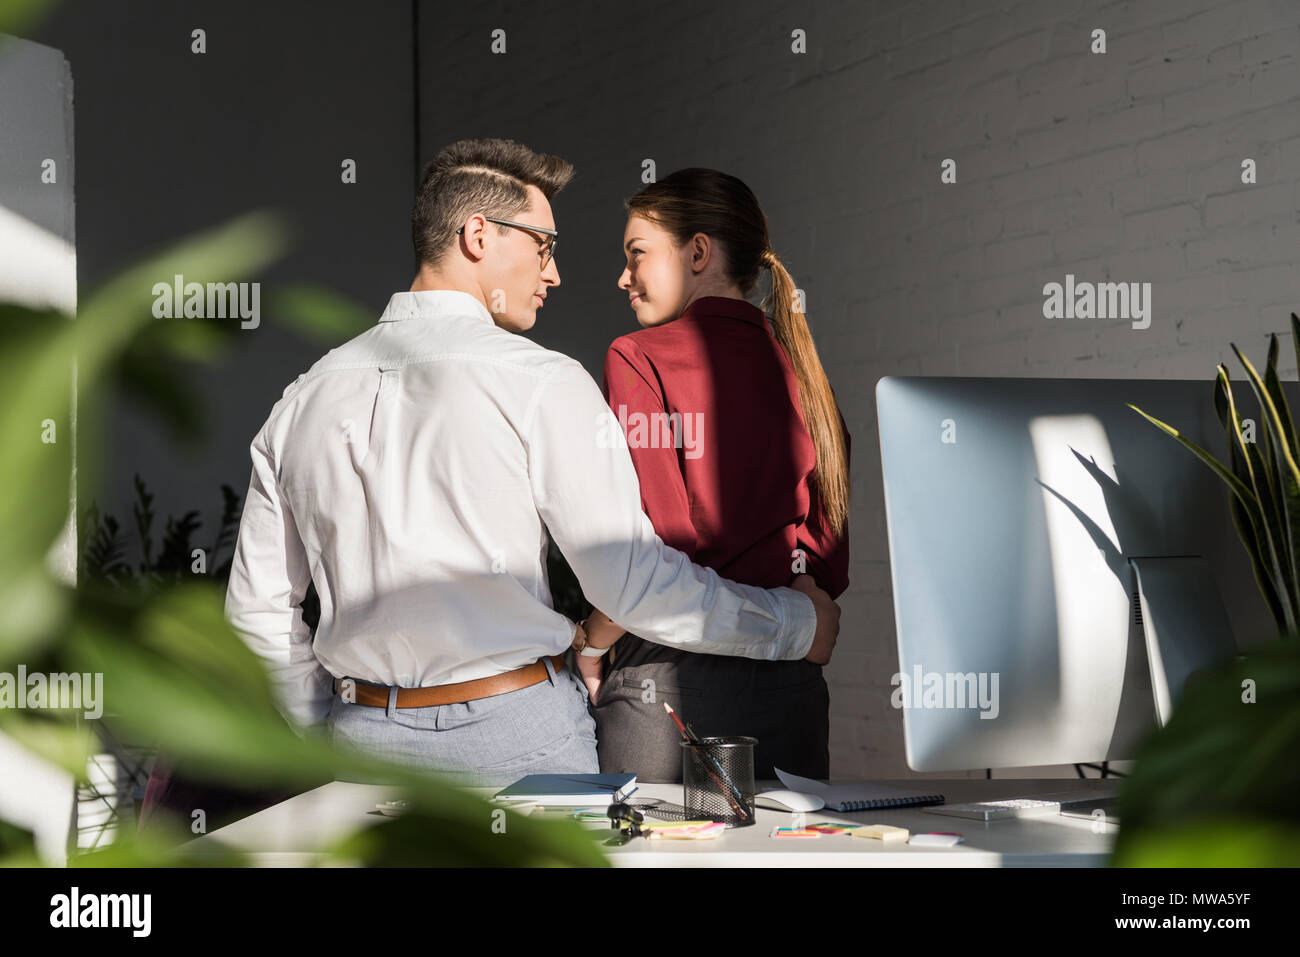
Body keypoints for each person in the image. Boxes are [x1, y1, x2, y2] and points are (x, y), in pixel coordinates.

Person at [220, 139, 840, 787]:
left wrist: (324, 728)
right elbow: (633, 582)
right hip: (518, 743)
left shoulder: (302, 400)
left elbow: (257, 616)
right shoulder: (541, 381)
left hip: (357, 746)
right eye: (544, 245)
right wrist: (795, 625)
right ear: (479, 235)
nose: (554, 273)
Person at [574, 168, 851, 783]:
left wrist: (591, 641)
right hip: (792, 685)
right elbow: (825, 566)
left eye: (636, 254)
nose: (624, 277)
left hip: (669, 682)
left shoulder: (637, 355)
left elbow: (662, 542)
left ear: (698, 251)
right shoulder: (803, 366)